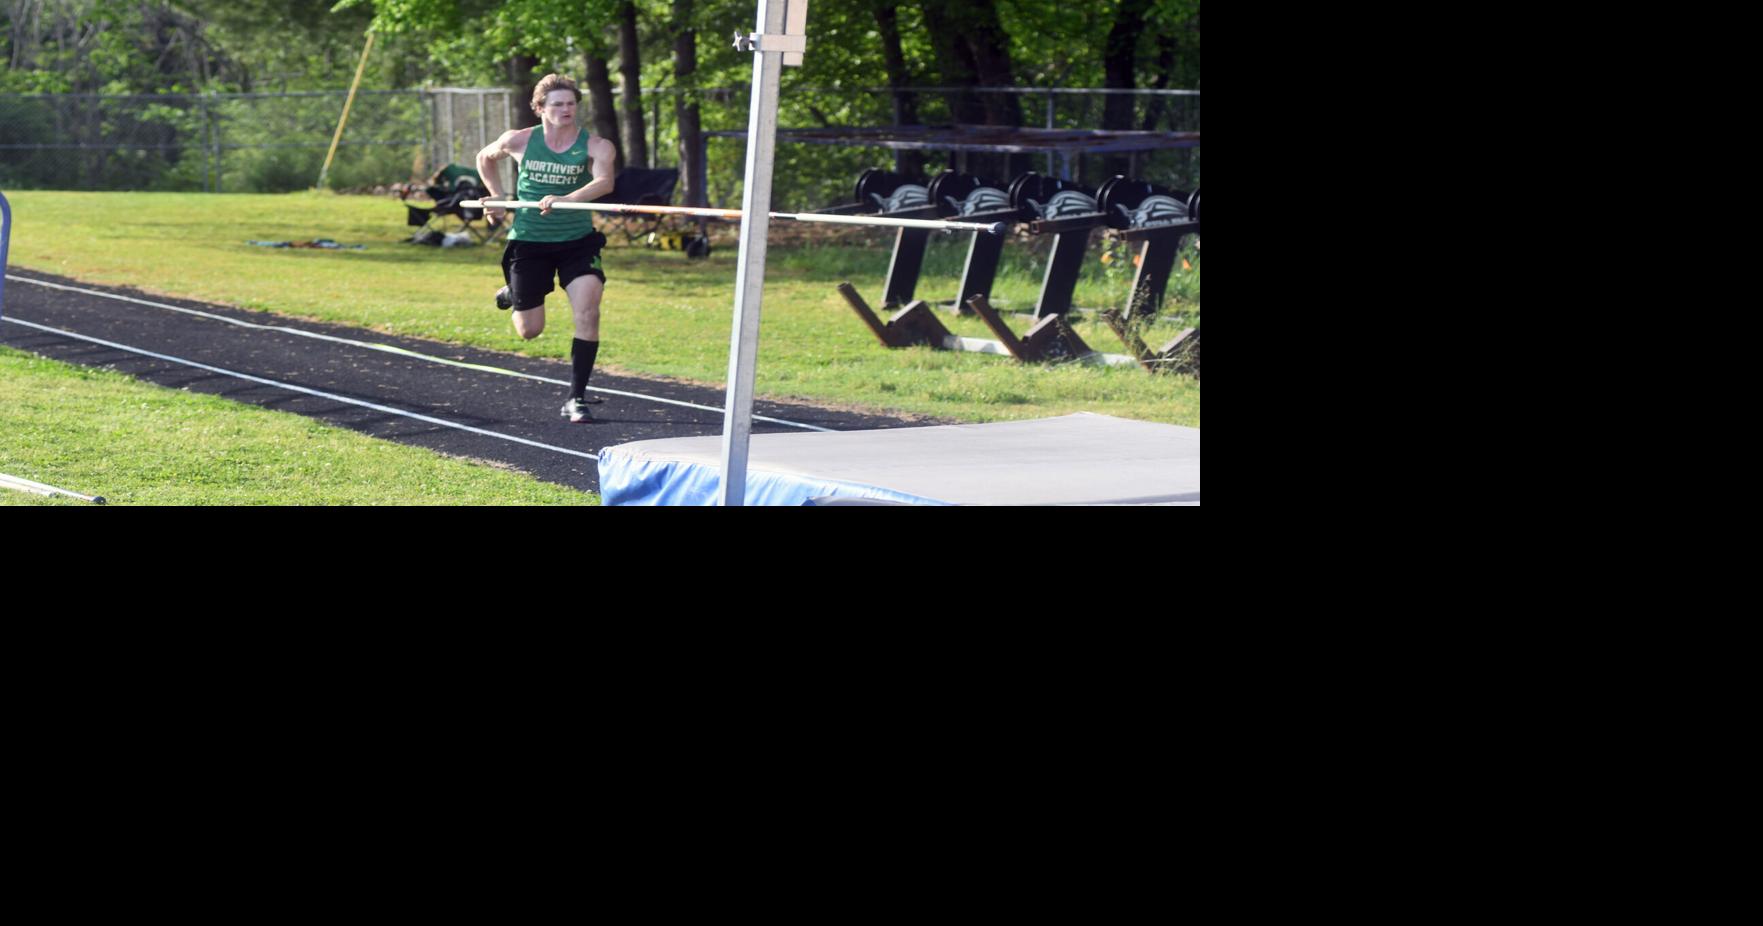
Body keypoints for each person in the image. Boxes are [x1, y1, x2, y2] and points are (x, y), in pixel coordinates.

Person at [476, 74, 618, 423]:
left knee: (588, 311)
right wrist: (494, 197)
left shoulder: (596, 146)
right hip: (530, 241)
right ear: (540, 108)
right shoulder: (519, 141)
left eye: (570, 103)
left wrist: (567, 199)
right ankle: (514, 291)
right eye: (557, 104)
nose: (566, 109)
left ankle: (576, 398)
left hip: (577, 243)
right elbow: (485, 157)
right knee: (529, 330)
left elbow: (604, 182)